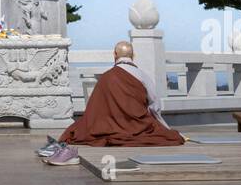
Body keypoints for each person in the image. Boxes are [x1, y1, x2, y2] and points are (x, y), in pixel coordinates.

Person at [42, 41, 185, 165]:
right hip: (139, 125)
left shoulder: (106, 77)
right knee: (170, 135)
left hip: (108, 127)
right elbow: (155, 106)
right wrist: (165, 127)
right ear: (133, 56)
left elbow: (94, 109)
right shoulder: (143, 76)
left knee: (76, 129)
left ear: (114, 55)